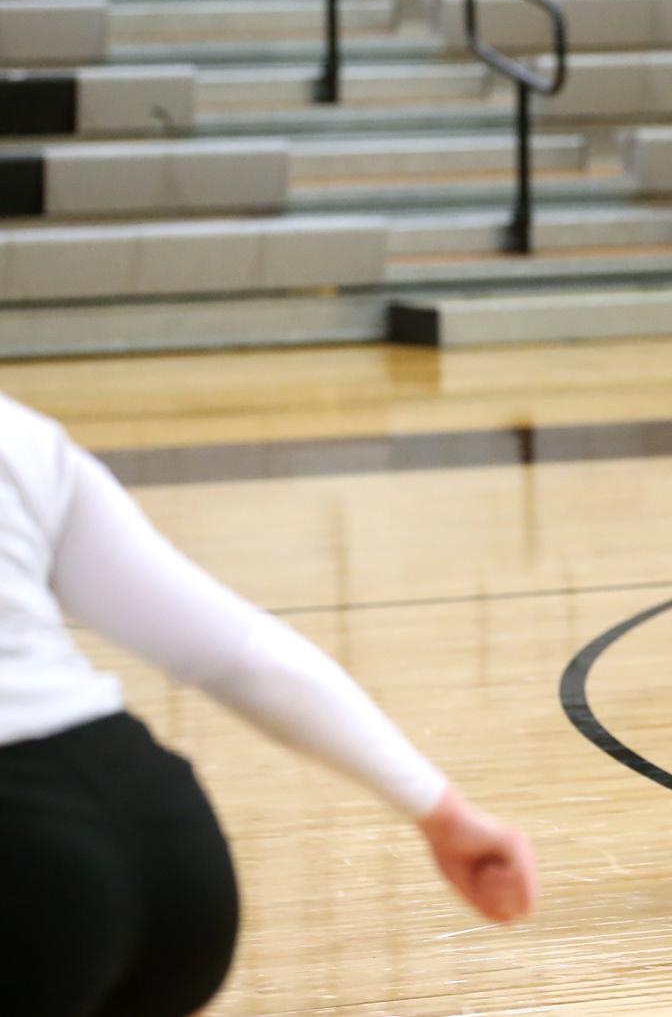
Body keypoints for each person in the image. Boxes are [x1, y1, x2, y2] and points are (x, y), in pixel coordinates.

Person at [0, 392, 538, 1016]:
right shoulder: (20, 434)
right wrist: (444, 814)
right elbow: (241, 650)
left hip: (28, 867)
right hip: (169, 851)